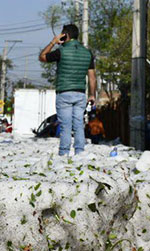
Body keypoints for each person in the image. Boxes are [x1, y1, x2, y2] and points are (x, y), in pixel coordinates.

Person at [39, 24, 97, 156]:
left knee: (65, 126)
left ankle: (64, 153)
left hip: (64, 93)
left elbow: (42, 56)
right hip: (80, 94)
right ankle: (80, 152)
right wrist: (92, 95)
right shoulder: (87, 53)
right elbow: (92, 78)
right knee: (78, 125)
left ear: (65, 35)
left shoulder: (61, 51)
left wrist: (53, 42)